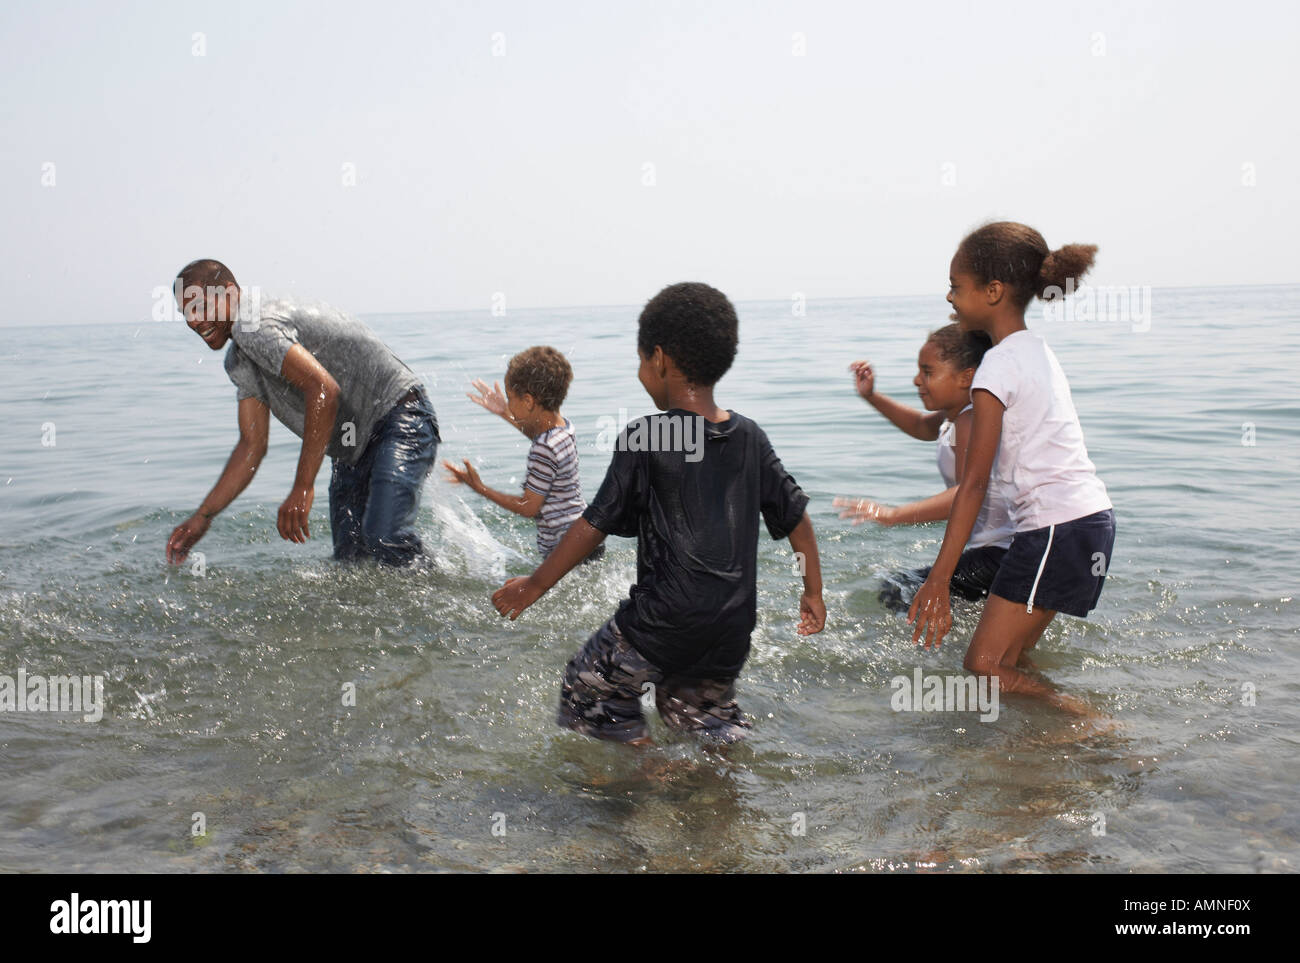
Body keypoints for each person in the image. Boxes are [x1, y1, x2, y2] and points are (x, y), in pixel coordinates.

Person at [491, 282, 826, 745]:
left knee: (586, 690)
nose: (639, 372)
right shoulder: (751, 437)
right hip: (730, 628)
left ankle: (644, 783)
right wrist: (813, 593)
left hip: (662, 622)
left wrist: (534, 584)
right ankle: (719, 799)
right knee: (700, 714)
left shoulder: (646, 436)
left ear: (660, 360)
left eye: (640, 360)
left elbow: (593, 525)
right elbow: (798, 520)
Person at [908, 222, 1116, 714]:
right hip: (1087, 521)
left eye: (957, 287)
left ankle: (1090, 721)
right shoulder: (1036, 351)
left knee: (982, 665)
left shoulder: (995, 367)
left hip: (1054, 528)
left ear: (993, 291)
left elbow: (973, 484)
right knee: (1013, 657)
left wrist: (939, 579)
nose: (950, 298)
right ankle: (1036, 755)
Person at [164, 259, 438, 567]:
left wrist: (303, 487)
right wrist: (203, 517)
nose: (194, 321)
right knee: (352, 563)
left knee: (383, 537)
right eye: (186, 312)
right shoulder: (238, 360)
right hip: (353, 447)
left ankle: (446, 593)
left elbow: (324, 391)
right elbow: (251, 446)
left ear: (229, 293)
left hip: (400, 417)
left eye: (200, 307)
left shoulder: (254, 325)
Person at [834, 324, 1013, 610]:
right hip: (990, 552)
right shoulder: (952, 417)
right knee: (901, 590)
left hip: (1000, 555)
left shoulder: (969, 422)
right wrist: (871, 396)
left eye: (928, 372)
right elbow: (919, 425)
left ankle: (929, 652)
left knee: (900, 590)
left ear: (967, 377)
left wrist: (892, 514)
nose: (917, 380)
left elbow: (965, 493)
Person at [445, 346, 602, 562]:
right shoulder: (564, 428)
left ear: (528, 401)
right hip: (584, 538)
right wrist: (504, 412)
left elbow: (528, 507)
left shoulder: (543, 447)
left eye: (510, 398)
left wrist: (479, 488)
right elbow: (541, 438)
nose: (508, 403)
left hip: (566, 552)